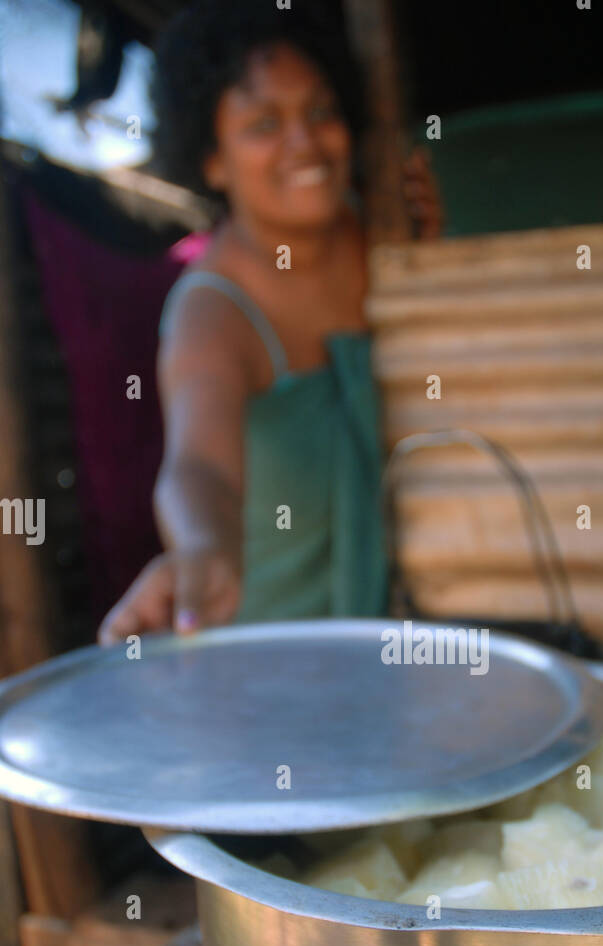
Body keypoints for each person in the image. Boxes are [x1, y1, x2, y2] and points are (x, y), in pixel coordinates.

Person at [98, 0, 440, 644]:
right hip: (269, 657)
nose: (304, 142)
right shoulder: (213, 311)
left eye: (320, 112)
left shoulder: (382, 237)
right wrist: (201, 550)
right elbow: (201, 468)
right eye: (263, 124)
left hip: (387, 642)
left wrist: (430, 259)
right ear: (212, 159)